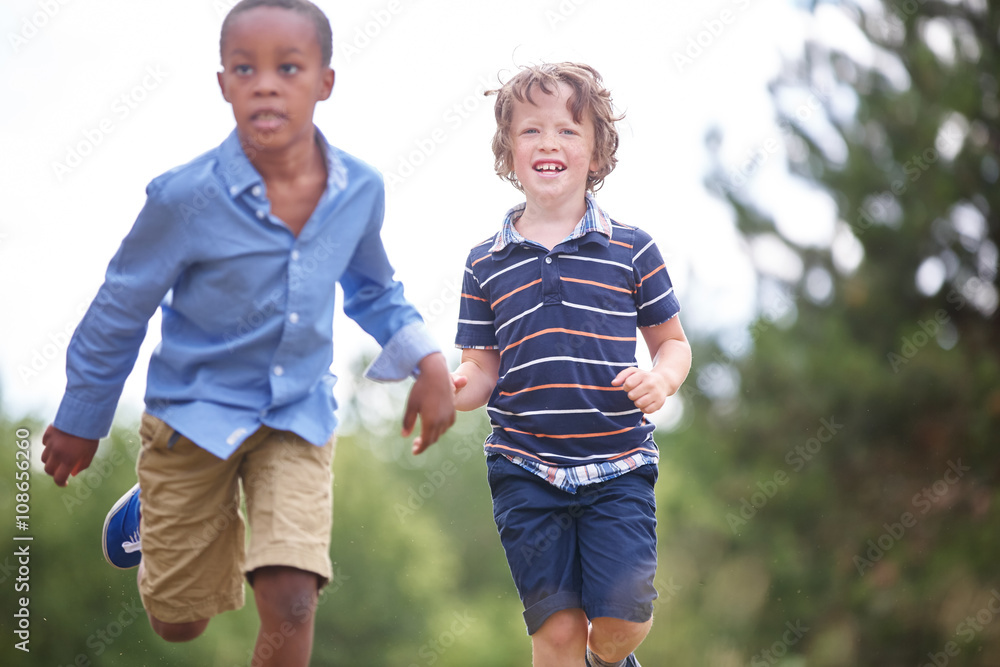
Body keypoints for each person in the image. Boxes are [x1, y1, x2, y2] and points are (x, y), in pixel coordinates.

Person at [40, 1, 455, 664]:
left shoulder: (358, 191)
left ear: (324, 82)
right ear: (224, 84)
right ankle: (163, 510)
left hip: (296, 415)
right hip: (191, 419)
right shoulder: (183, 197)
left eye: (288, 68)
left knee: (292, 596)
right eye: (246, 68)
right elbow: (121, 306)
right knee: (182, 621)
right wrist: (80, 415)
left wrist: (427, 361)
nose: (266, 83)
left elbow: (374, 288)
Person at [451, 62, 692, 667]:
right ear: (509, 148)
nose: (549, 143)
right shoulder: (486, 263)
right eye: (531, 130)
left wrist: (661, 378)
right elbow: (479, 367)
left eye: (567, 130)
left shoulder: (631, 249)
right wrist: (451, 388)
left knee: (622, 623)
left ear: (596, 150)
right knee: (556, 636)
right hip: (525, 467)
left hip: (619, 465)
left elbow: (673, 344)